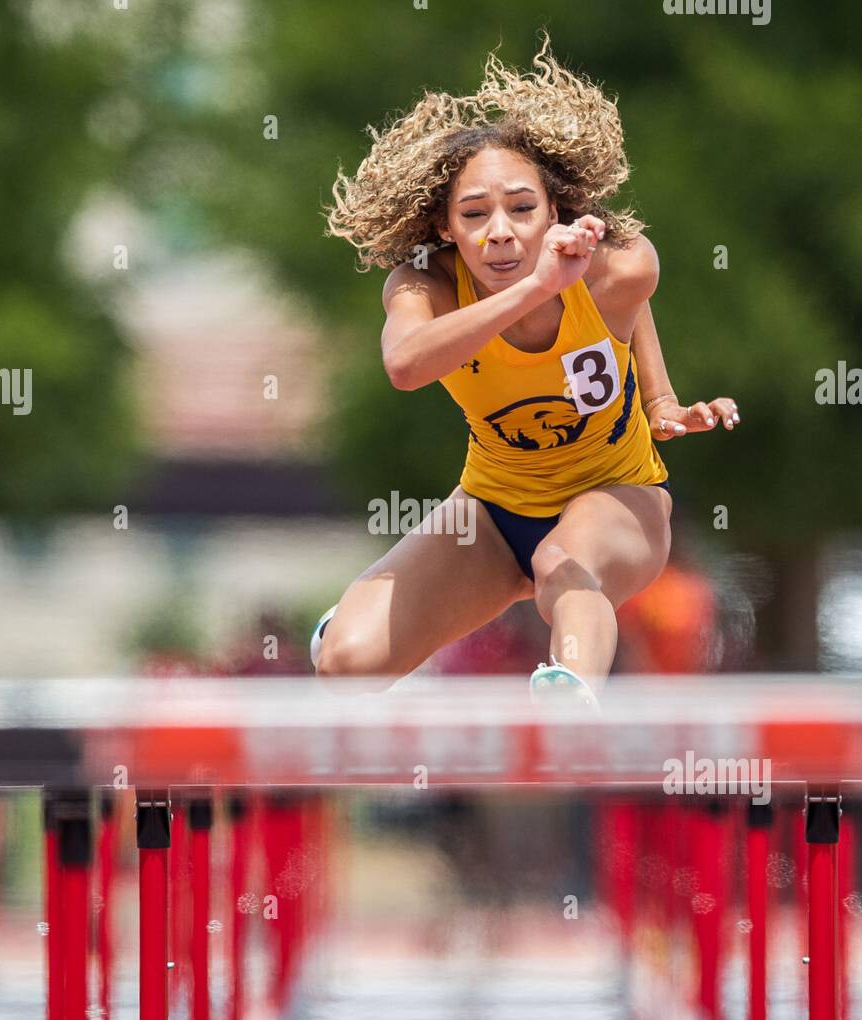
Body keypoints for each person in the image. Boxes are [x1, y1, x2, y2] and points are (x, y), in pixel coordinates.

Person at [313, 33, 738, 703]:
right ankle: (355, 624)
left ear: (557, 210)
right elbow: (405, 364)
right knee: (345, 664)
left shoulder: (618, 265)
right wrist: (537, 288)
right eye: (475, 215)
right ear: (446, 228)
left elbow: (630, 305)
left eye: (521, 208)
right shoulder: (423, 286)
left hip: (619, 502)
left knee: (560, 563)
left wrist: (661, 401)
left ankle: (570, 701)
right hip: (491, 511)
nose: (501, 231)